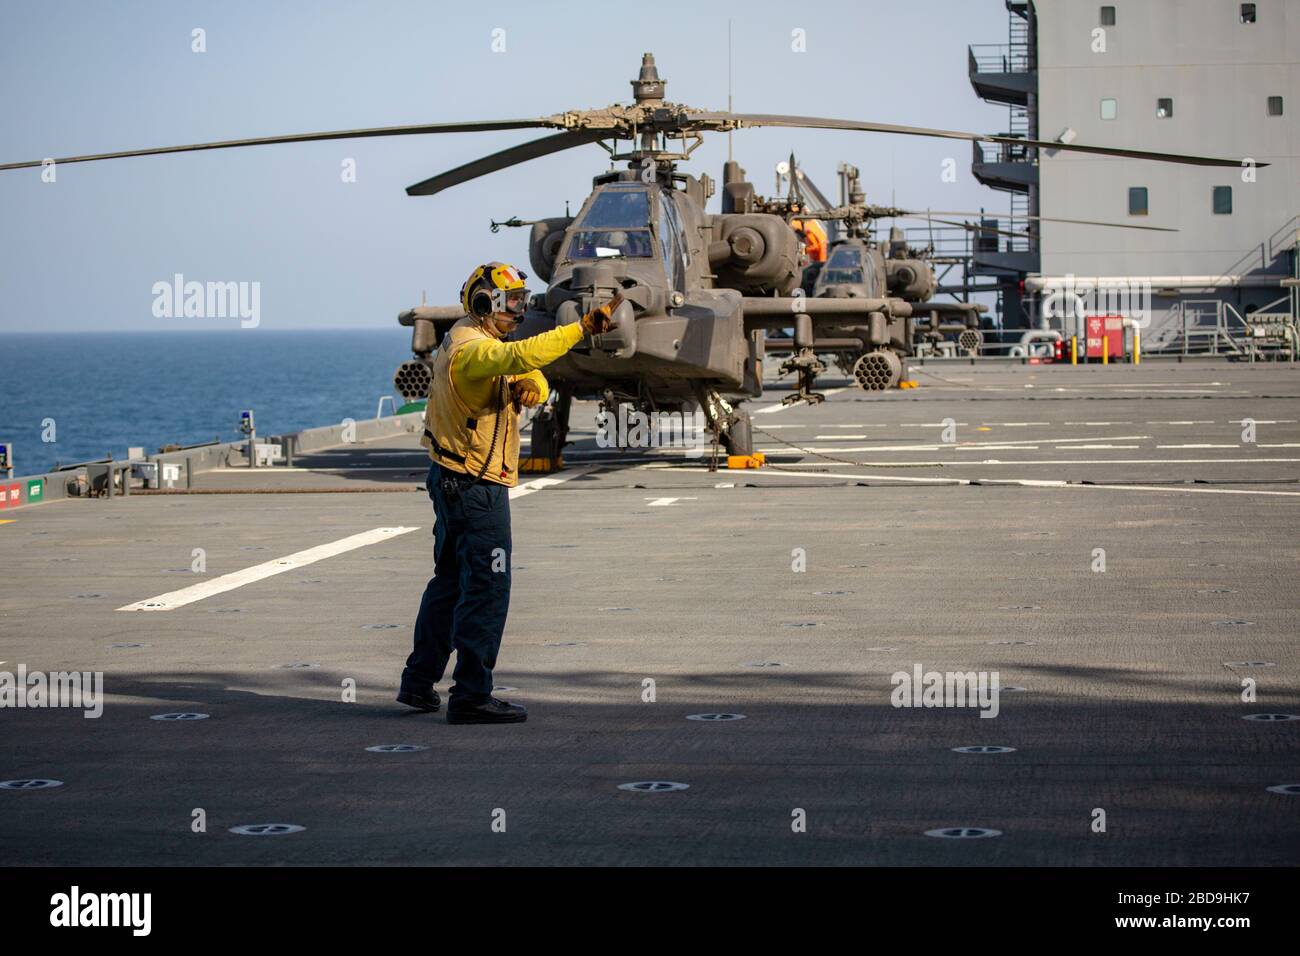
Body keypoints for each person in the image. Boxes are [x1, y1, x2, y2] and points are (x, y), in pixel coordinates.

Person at [397, 262, 618, 724]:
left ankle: (419, 683)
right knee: (486, 588)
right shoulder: (470, 351)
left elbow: (525, 367)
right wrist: (579, 329)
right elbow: (518, 357)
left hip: (454, 479)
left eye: (521, 301)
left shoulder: (475, 339)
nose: (519, 311)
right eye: (511, 303)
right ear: (484, 304)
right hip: (477, 486)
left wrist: (531, 385)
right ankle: (472, 694)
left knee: (450, 583)